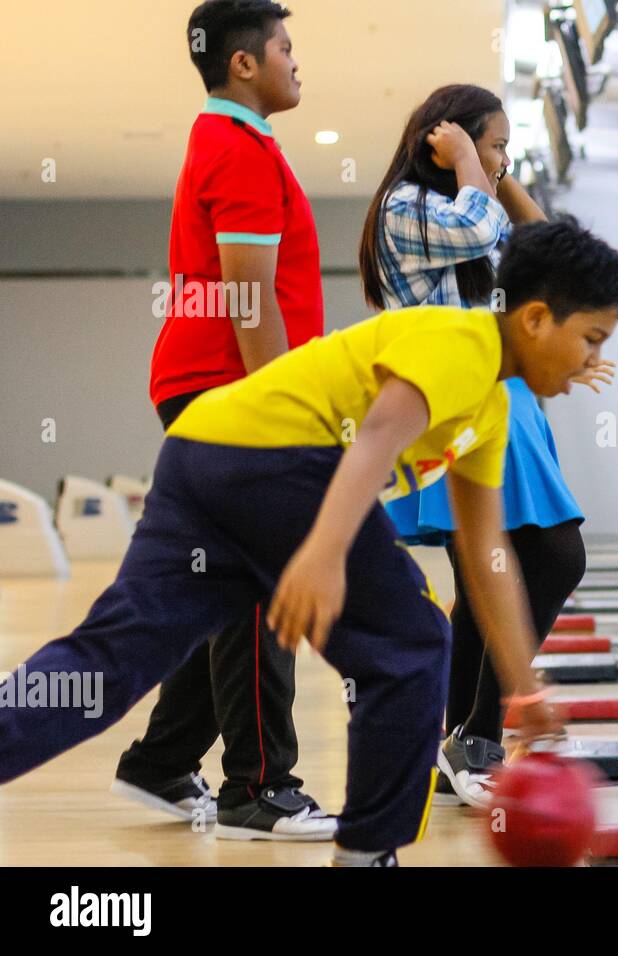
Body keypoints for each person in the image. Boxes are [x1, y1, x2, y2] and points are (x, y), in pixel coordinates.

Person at [0, 219, 618, 867]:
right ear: (534, 319)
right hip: (274, 460)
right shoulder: (463, 342)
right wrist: (326, 551)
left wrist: (523, 692)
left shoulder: (490, 410)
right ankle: (367, 854)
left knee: (106, 664)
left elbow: (485, 553)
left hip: (202, 450)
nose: (593, 362)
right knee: (412, 643)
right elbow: (380, 434)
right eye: (590, 339)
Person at [112, 0, 335, 840]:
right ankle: (258, 788)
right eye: (285, 47)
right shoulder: (238, 150)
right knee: (259, 591)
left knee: (233, 582)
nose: (295, 60)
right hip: (226, 387)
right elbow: (250, 299)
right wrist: (281, 415)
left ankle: (162, 765)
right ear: (245, 64)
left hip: (209, 385)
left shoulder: (238, 144)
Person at [359, 85, 613, 807]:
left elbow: (553, 253)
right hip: (453, 398)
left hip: (503, 399)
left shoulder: (477, 196)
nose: (500, 163)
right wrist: (474, 162)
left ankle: (466, 742)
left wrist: (496, 168)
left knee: (485, 575)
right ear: (447, 144)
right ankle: (475, 734)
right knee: (556, 553)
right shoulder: (408, 208)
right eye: (494, 144)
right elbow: (474, 230)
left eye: (502, 150)